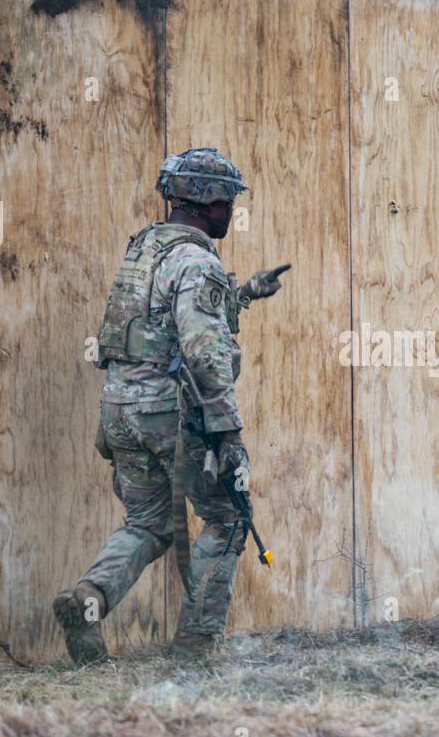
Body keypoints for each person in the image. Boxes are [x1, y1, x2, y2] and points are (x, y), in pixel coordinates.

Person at [54, 148, 289, 663]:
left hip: (120, 409)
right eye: (227, 200)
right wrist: (227, 436)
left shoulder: (144, 249)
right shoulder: (198, 260)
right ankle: (194, 648)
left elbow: (156, 325)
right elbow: (205, 351)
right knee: (227, 517)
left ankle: (89, 599)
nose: (231, 210)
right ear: (207, 202)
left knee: (148, 522)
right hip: (171, 415)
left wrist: (244, 293)